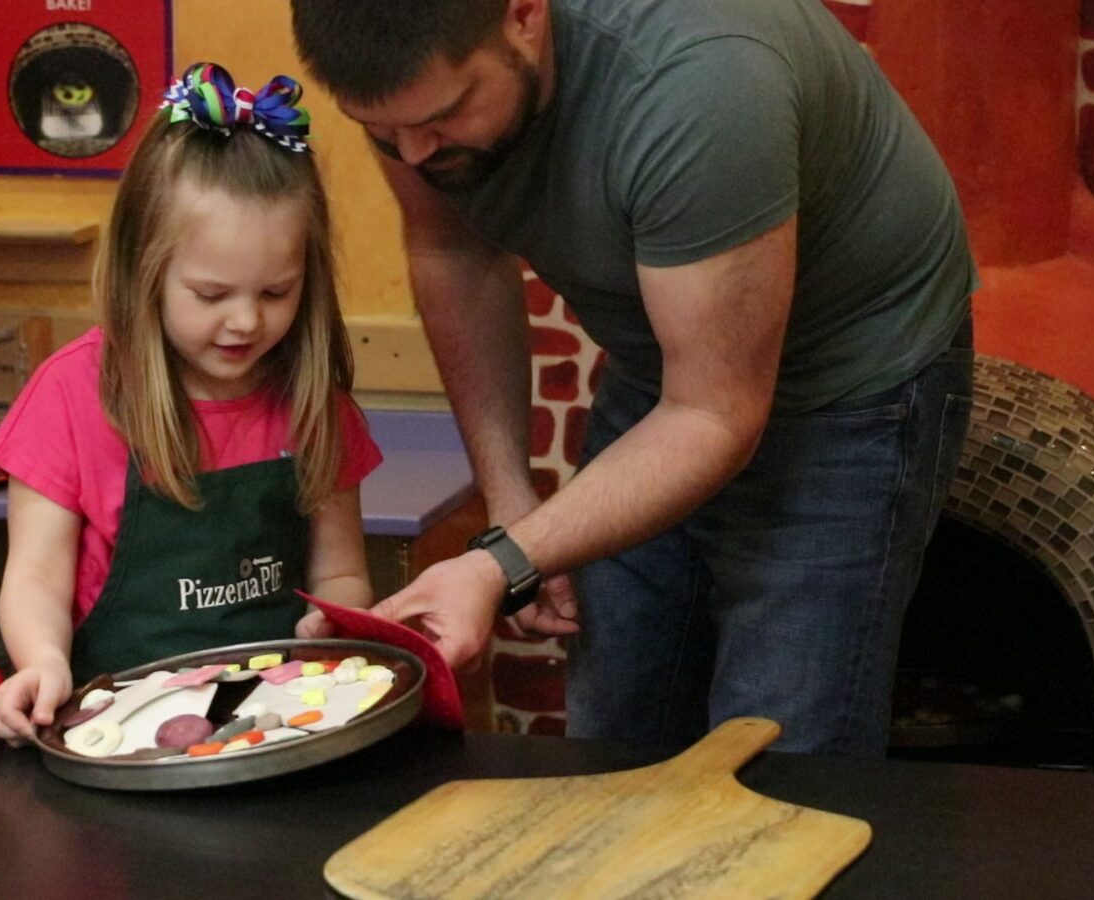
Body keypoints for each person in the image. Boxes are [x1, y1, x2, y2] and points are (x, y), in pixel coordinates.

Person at [292, 0, 976, 756]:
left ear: (524, 15)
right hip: (669, 363)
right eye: (383, 131)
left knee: (779, 747)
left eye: (444, 117)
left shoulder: (700, 80)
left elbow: (714, 416)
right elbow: (453, 252)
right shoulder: (414, 95)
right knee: (616, 727)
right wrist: (511, 511)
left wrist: (502, 564)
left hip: (849, 376)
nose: (415, 154)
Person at [0, 62, 383, 745]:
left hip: (275, 731)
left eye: (276, 292)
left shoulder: (313, 400)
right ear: (143, 270)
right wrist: (42, 660)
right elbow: (37, 577)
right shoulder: (72, 396)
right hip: (115, 737)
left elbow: (341, 572)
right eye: (210, 294)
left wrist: (336, 621)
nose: (245, 322)